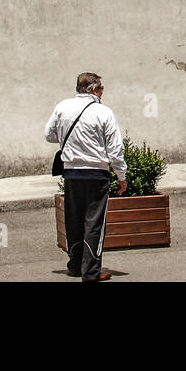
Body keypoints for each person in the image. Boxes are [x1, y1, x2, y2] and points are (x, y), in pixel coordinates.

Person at [44, 72, 126, 282]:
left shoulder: (62, 107)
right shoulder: (103, 112)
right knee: (94, 223)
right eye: (101, 89)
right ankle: (90, 271)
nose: (102, 93)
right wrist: (121, 175)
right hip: (96, 173)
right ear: (93, 89)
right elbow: (115, 148)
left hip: (70, 172)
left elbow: (49, 134)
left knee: (74, 220)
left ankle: (75, 265)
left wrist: (70, 141)